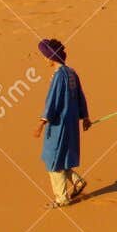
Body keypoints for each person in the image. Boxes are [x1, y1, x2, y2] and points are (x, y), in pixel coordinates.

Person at [35, 38, 91, 207]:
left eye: (46, 56)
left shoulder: (59, 76)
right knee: (61, 156)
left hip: (59, 124)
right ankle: (77, 181)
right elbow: (80, 96)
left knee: (53, 159)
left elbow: (53, 101)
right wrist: (85, 117)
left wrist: (41, 123)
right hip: (71, 123)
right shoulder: (71, 72)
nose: (45, 59)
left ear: (51, 57)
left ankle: (62, 198)